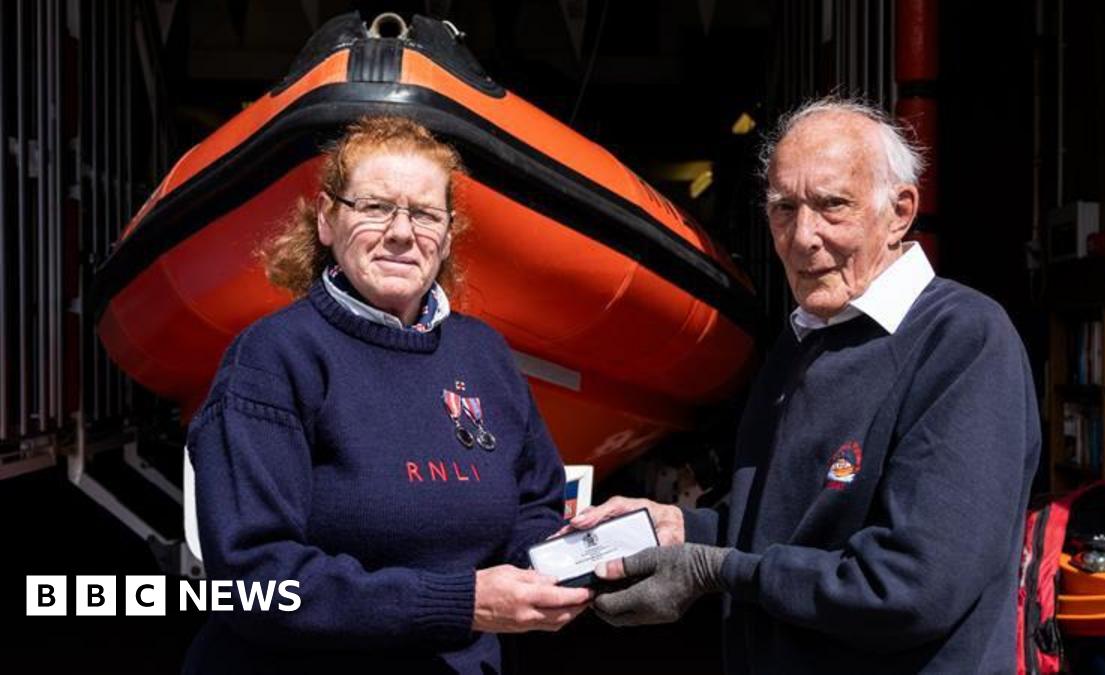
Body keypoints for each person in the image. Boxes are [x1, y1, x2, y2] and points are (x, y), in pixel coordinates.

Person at [570, 98, 1041, 674]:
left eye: (832, 205)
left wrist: (715, 569)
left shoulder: (964, 339)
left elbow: (907, 587)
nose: (802, 236)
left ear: (900, 212)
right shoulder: (803, 339)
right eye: (784, 208)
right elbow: (780, 532)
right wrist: (680, 529)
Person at [183, 116, 590, 675]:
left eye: (425, 214)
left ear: (448, 234)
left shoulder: (484, 354)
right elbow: (254, 580)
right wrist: (461, 603)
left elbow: (534, 505)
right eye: (375, 207)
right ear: (327, 219)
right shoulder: (273, 359)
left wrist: (565, 564)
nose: (401, 232)